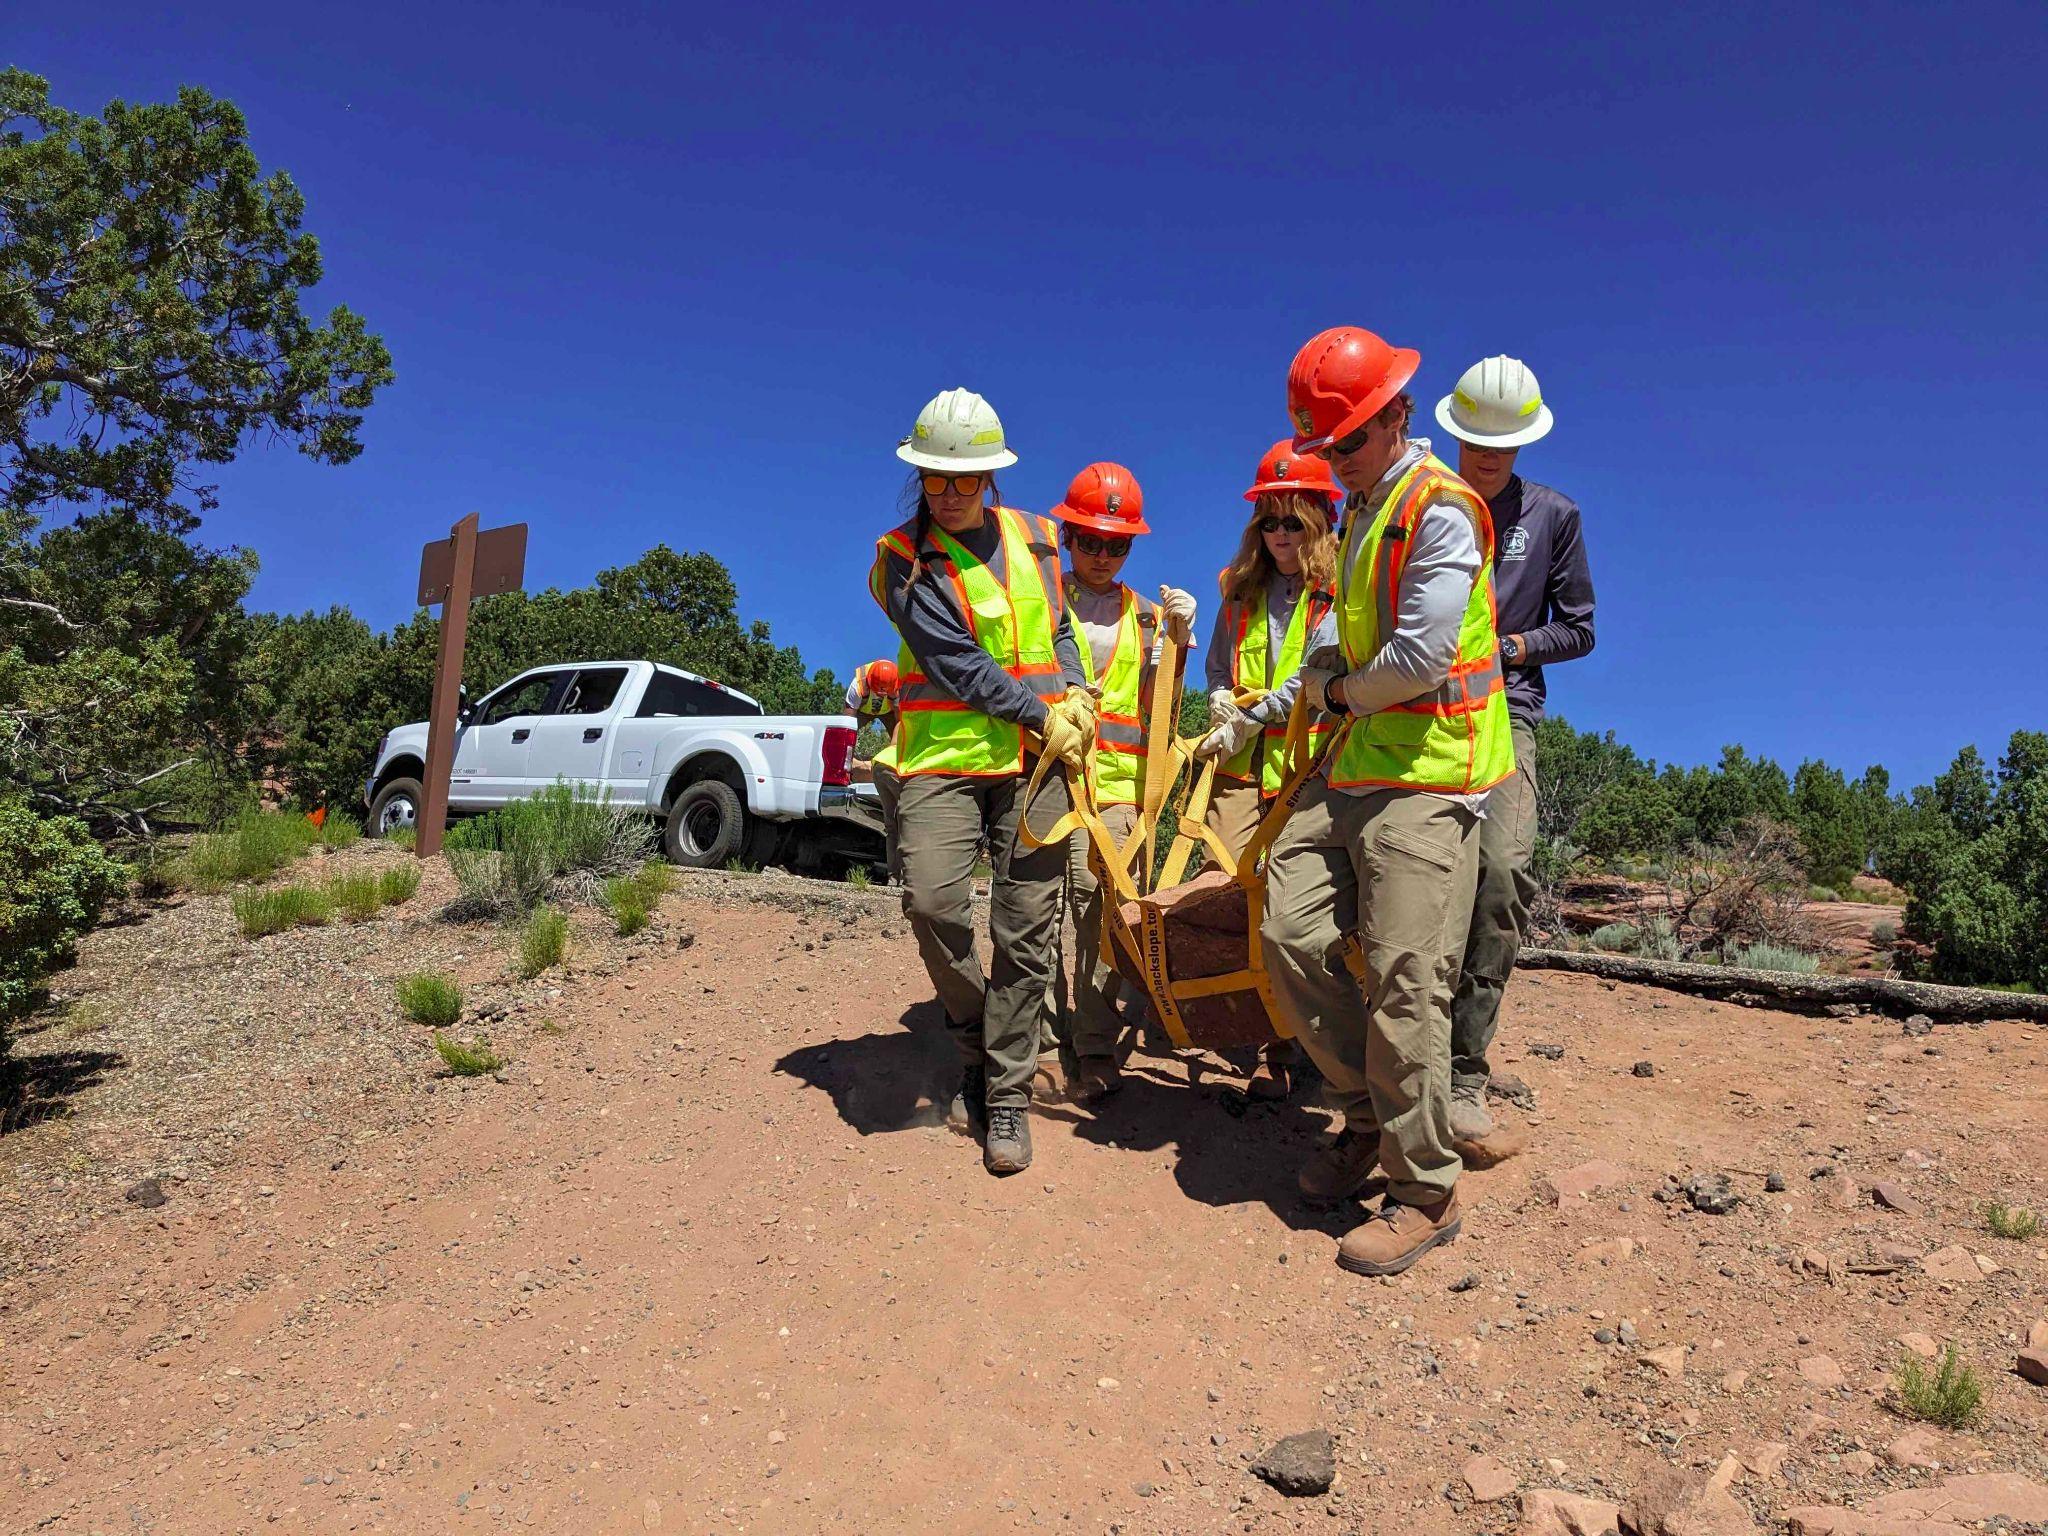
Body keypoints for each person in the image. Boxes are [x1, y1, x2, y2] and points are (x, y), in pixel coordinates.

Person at [1259, 326, 1515, 1277]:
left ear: (1399, 416)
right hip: (1358, 767)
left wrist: (1326, 696)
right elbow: (1336, 653)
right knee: (1288, 931)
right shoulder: (1361, 512)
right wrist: (1267, 710)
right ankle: (1368, 1116)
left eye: (1349, 442)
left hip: (1434, 776)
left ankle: (1425, 1189)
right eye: (1327, 448)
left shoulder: (1438, 511)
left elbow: (1417, 661)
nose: (1338, 461)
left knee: (1408, 977)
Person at [868, 387, 1098, 1176]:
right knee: (932, 902)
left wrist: (1079, 694)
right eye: (937, 477)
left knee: (1029, 925)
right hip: (946, 759)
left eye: (966, 478)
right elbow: (956, 664)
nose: (951, 492)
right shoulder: (901, 562)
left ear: (992, 478)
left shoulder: (1037, 537)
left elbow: (1061, 627)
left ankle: (1005, 1089)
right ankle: (975, 1035)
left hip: (1037, 764)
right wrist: (1043, 715)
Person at [1433, 357, 1595, 1143]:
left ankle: (1465, 1072)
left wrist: (1514, 646)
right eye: (1473, 440)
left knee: (1500, 872)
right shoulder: (1424, 500)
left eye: (1502, 443)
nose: (1486, 456)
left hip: (1505, 714)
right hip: (1412, 709)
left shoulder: (1555, 517)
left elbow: (1581, 627)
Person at [1041, 462, 1197, 1103]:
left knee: (1101, 918)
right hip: (1049, 780)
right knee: (1035, 915)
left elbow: (1166, 709)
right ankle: (1047, 1046)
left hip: (1116, 794)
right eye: (1090, 541)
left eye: (1118, 544)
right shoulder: (1042, 602)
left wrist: (1180, 648)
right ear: (1068, 537)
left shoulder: (1149, 619)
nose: (1103, 555)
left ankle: (1096, 1048)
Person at [1192, 441, 1341, 1099]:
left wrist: (1256, 716)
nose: (1280, 535)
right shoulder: (1237, 589)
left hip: (1304, 770)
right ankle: (1231, 1026)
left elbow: (1316, 680)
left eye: (1292, 520)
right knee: (1222, 894)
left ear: (1319, 518)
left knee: (1286, 906)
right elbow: (1220, 667)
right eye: (1268, 521)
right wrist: (1223, 699)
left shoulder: (1339, 590)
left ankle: (1283, 1051)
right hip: (1238, 768)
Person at [846, 658, 903, 881]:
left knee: (901, 731)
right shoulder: (858, 685)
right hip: (863, 710)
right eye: (877, 690)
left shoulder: (895, 686)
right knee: (847, 732)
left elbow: (900, 720)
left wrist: (892, 751)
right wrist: (849, 759)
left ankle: (896, 761)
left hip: (889, 712)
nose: (880, 693)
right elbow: (847, 722)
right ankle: (845, 769)